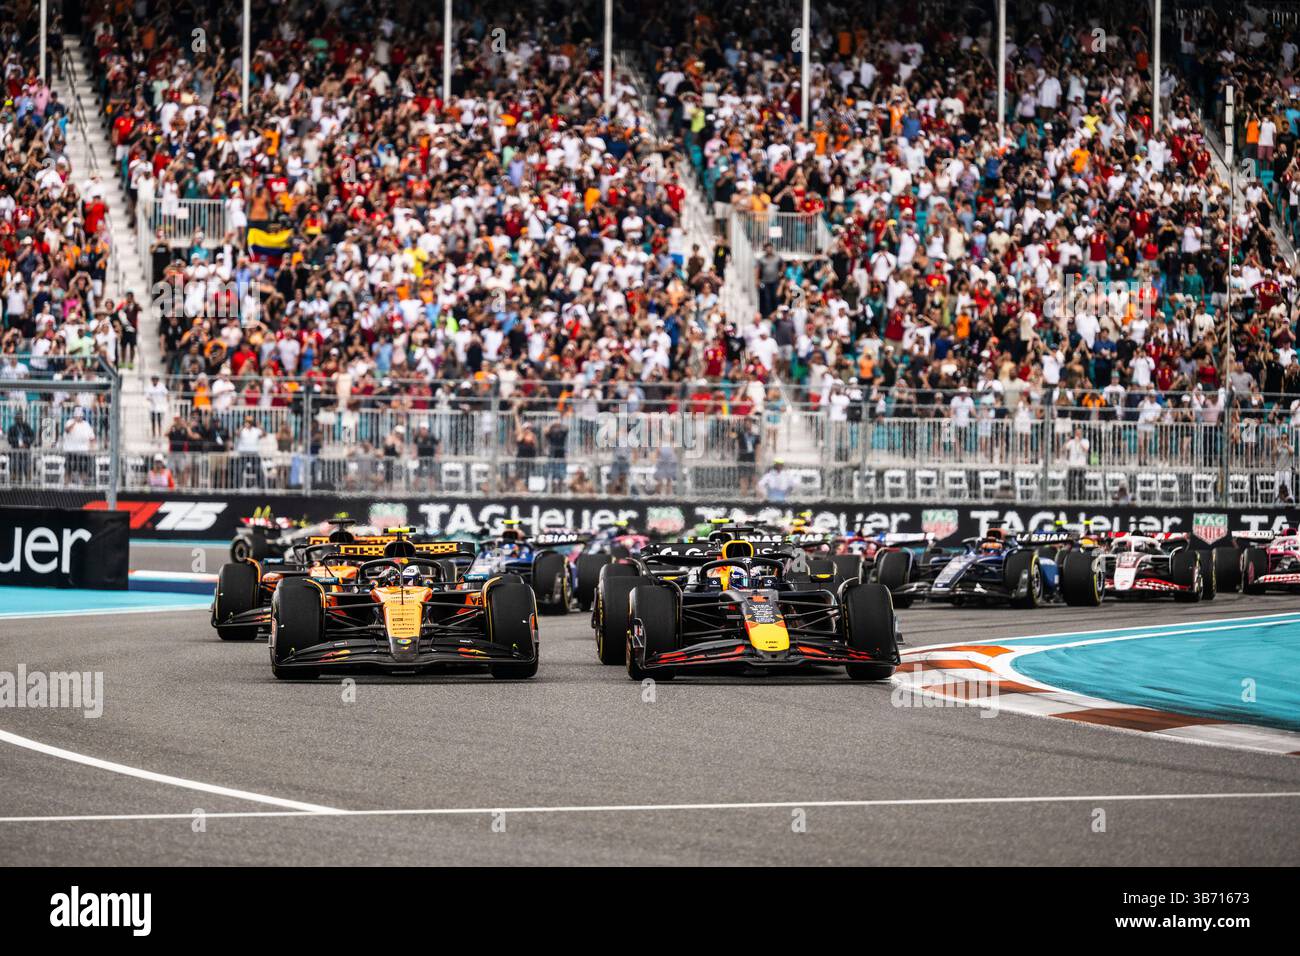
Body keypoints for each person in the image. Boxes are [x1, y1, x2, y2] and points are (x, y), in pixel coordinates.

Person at [1062, 426, 1091, 501]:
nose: (1078, 435)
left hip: (1081, 466)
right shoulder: (1072, 442)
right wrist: (1067, 440)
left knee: (1081, 483)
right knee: (1070, 482)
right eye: (1076, 433)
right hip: (1072, 466)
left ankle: (1082, 498)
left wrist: (1079, 442)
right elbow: (1064, 448)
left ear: (1082, 434)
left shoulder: (1085, 441)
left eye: (1079, 433)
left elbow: (1086, 450)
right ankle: (1069, 498)